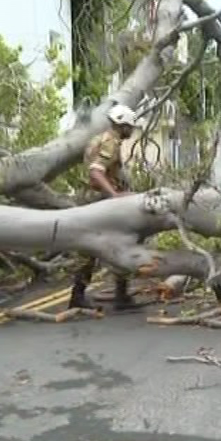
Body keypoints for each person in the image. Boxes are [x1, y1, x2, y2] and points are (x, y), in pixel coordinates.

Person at [69, 104, 144, 311]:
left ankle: (78, 295)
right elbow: (95, 172)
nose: (131, 130)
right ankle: (120, 296)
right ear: (123, 125)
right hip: (101, 203)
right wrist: (115, 195)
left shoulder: (98, 139)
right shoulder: (111, 142)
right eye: (130, 126)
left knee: (88, 248)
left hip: (88, 200)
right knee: (122, 242)